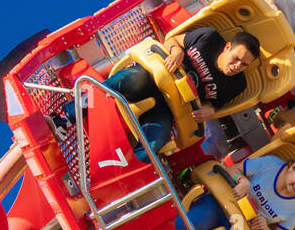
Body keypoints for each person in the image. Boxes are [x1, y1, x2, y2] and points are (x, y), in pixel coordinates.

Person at [55, 29, 260, 162]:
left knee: (152, 146)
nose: (236, 67)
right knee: (127, 80)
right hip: (152, 78)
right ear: (227, 47)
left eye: (244, 65)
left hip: (171, 107)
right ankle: (66, 118)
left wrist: (208, 111)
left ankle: (110, 162)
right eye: (236, 59)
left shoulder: (238, 84)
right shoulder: (209, 38)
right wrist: (176, 52)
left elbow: (216, 107)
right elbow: (173, 40)